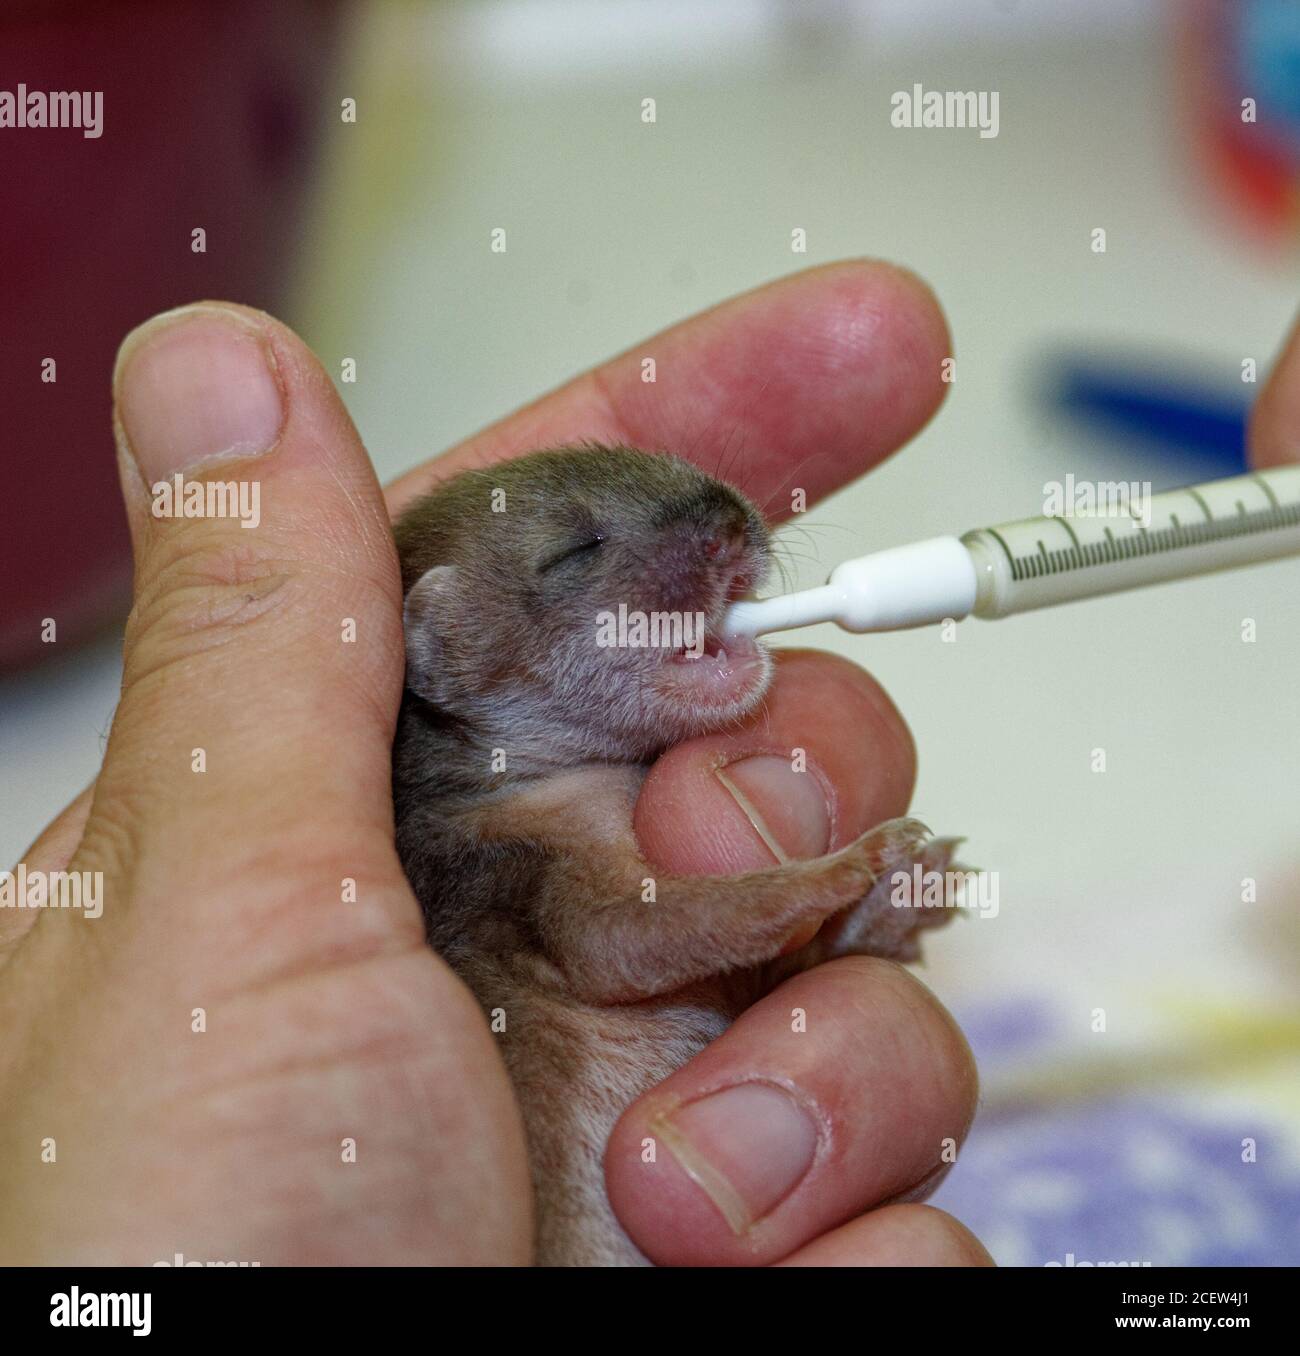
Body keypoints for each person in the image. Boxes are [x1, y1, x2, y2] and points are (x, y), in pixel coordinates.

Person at [31, 256, 1292, 1266]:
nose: (718, 534)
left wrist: (830, 922)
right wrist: (812, 892)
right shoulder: (476, 869)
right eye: (576, 562)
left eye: (693, 498)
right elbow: (627, 941)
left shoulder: (618, 807)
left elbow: (689, 959)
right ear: (448, 652)